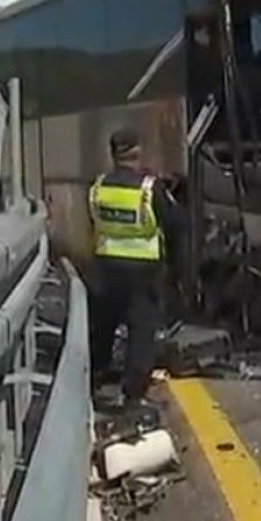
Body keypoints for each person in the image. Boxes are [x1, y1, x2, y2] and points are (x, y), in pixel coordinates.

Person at [88, 127, 172, 417]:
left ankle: (95, 379)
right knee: (140, 330)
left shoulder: (98, 187)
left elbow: (95, 222)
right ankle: (133, 397)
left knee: (103, 325)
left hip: (106, 267)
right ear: (138, 152)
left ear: (113, 155)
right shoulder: (149, 188)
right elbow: (173, 223)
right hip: (142, 270)